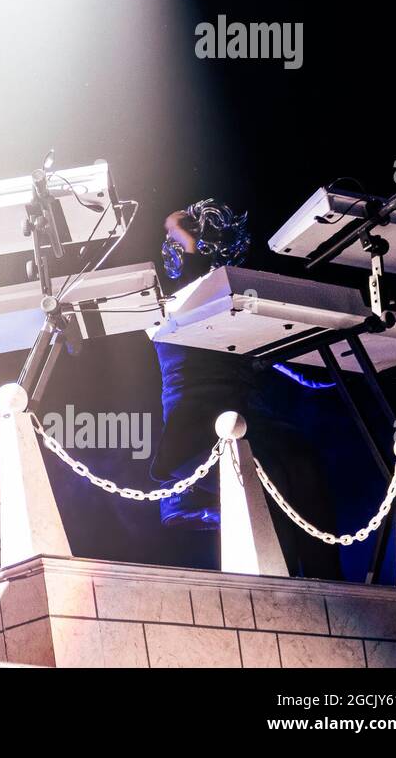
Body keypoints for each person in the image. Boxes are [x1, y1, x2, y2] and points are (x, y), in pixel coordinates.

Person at [151, 199, 340, 578]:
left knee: (303, 458)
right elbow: (189, 262)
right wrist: (187, 234)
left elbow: (295, 364)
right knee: (268, 470)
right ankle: (279, 586)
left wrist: (342, 358)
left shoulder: (237, 300)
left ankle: (329, 584)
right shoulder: (174, 302)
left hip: (252, 418)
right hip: (200, 425)